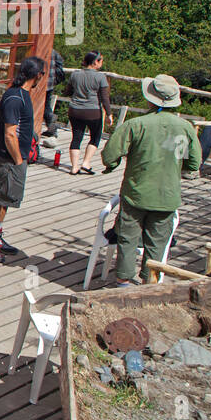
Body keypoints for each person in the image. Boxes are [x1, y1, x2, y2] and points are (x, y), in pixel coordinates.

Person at [100, 74, 200, 286]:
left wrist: (114, 165)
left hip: (136, 193)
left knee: (127, 239)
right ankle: (150, 284)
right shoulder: (186, 127)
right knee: (157, 244)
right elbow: (193, 164)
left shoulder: (136, 125)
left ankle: (123, 283)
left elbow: (109, 155)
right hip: (167, 197)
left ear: (150, 98)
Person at [0, 55, 46, 262]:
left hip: (17, 157)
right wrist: (17, 159)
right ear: (37, 75)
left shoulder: (22, 94)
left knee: (7, 199)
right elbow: (9, 134)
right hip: (9, 159)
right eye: (43, 74)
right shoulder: (15, 98)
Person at [65, 51, 113, 175]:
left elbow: (67, 91)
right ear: (95, 62)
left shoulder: (75, 75)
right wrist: (109, 114)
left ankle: (74, 167)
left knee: (76, 137)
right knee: (95, 137)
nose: (102, 63)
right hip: (93, 112)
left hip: (75, 110)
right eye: (101, 60)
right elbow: (104, 97)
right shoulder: (100, 77)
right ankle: (86, 163)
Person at [42, 48, 65, 137]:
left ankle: (52, 127)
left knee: (44, 107)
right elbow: (60, 63)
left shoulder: (42, 49)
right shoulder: (53, 51)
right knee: (46, 106)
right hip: (50, 83)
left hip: (41, 83)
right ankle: (51, 127)